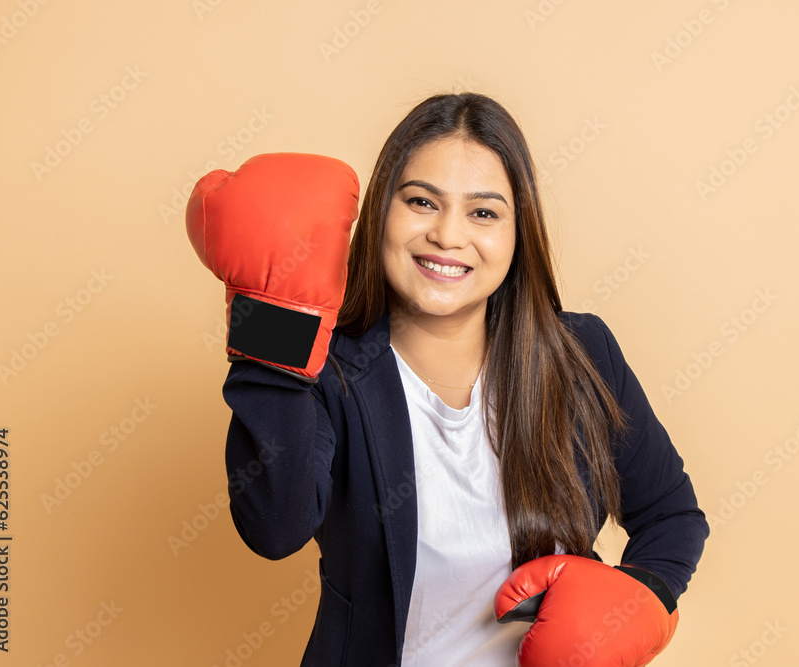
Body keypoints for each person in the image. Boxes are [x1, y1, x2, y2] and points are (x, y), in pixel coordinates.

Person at [187, 92, 709, 666]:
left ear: (518, 233)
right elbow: (273, 527)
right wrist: (273, 327)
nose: (448, 236)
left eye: (483, 212)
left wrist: (639, 600)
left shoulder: (581, 354)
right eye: (421, 202)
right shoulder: (329, 370)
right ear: (381, 212)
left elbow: (672, 515)